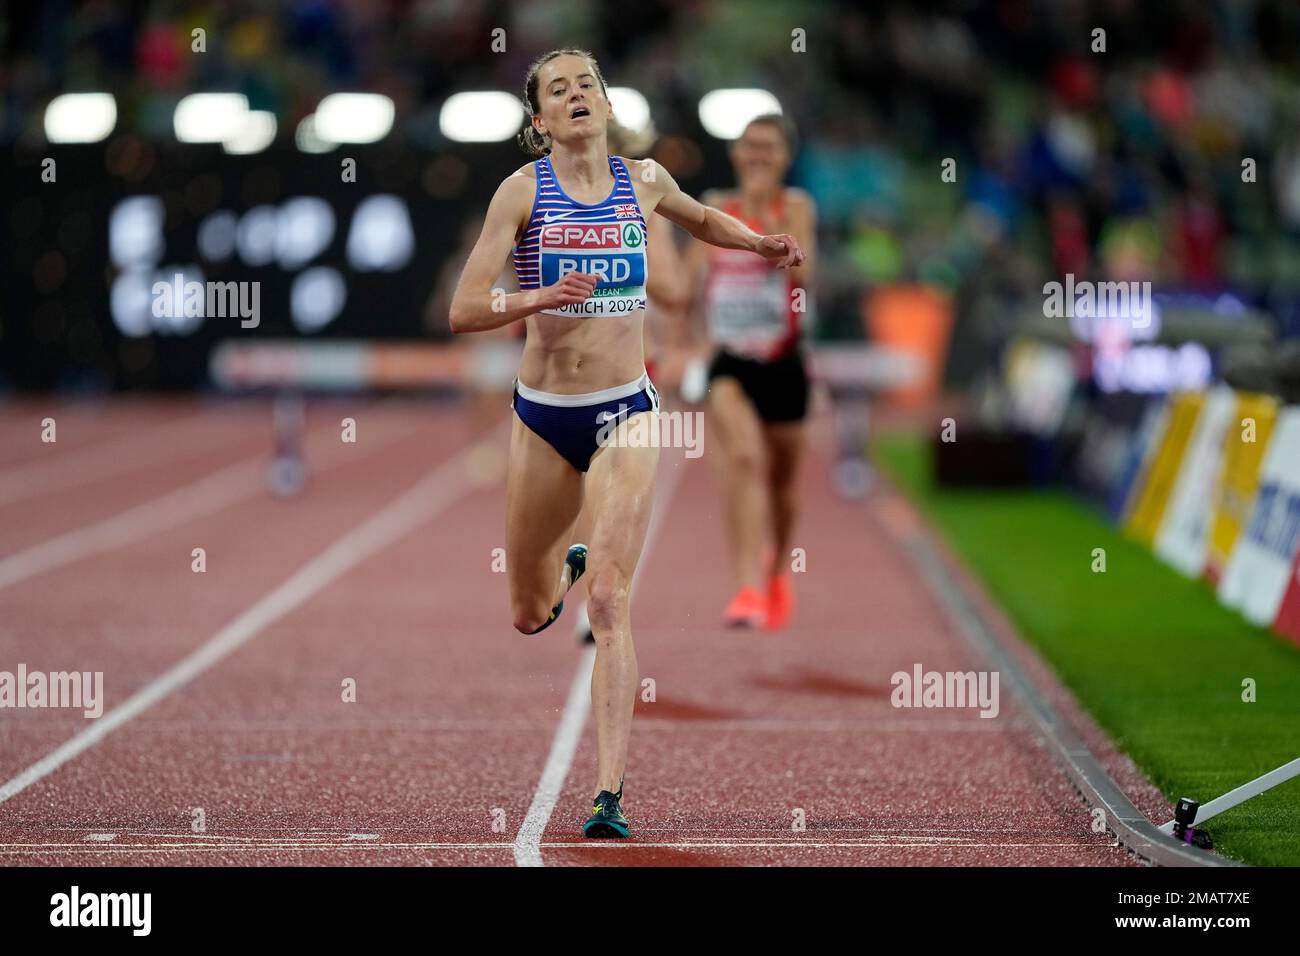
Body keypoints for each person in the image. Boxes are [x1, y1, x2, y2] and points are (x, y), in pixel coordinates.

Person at [449, 49, 804, 839]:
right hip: (544, 414)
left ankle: (609, 794)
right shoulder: (522, 191)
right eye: (559, 91)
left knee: (609, 600)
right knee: (527, 611)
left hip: (626, 410)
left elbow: (704, 220)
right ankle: (561, 570)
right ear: (539, 121)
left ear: (606, 104)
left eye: (588, 85)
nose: (578, 97)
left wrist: (758, 246)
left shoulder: (643, 180)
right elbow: (465, 309)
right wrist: (540, 294)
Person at [689, 114, 817, 631]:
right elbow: (693, 281)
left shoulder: (797, 206)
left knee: (784, 485)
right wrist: (683, 340)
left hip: (784, 359)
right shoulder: (716, 205)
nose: (759, 154)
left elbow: (803, 269)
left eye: (770, 147)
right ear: (736, 153)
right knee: (742, 459)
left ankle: (778, 565)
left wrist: (764, 214)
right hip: (730, 361)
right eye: (750, 145)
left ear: (785, 157)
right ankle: (746, 586)